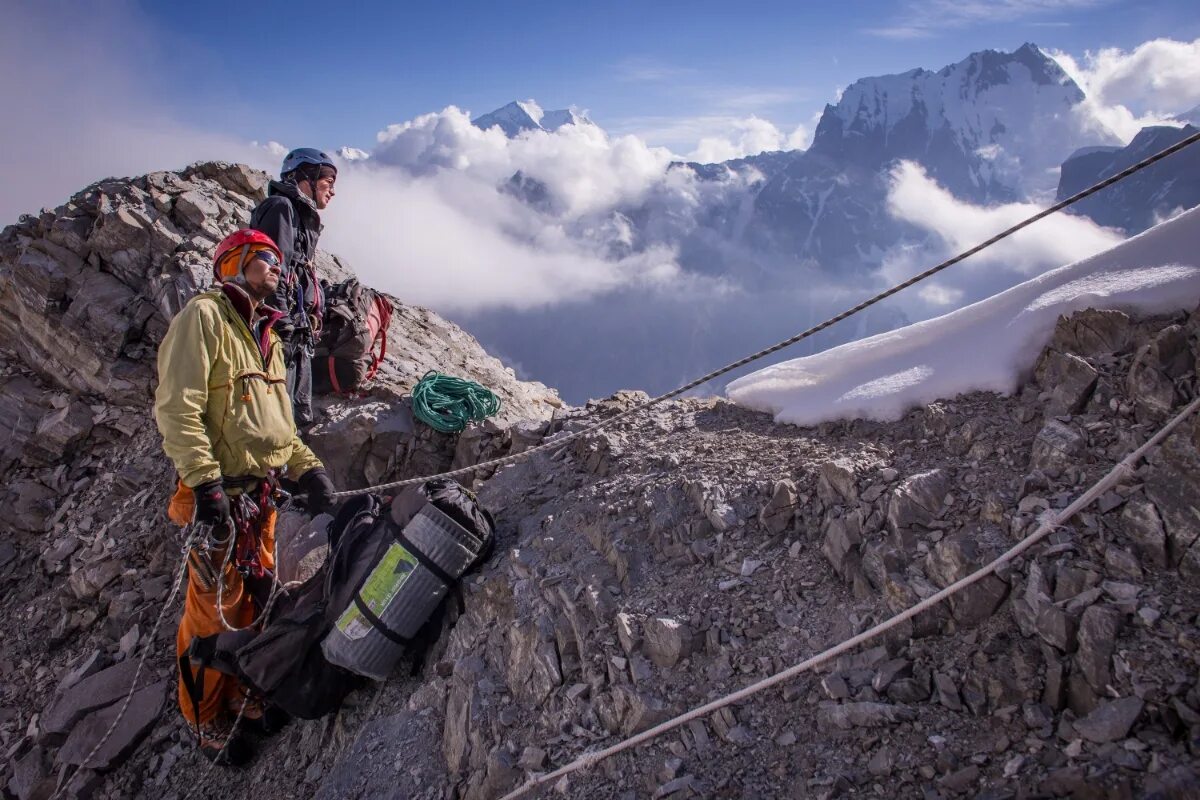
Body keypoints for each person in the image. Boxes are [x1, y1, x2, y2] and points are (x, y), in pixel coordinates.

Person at [154, 228, 337, 764]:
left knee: (255, 598)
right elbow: (178, 407)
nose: (276, 269)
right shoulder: (205, 318)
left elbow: (277, 426)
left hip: (259, 498)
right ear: (231, 263)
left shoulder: (270, 336)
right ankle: (205, 716)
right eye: (264, 259)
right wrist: (205, 482)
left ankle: (243, 690)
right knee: (211, 615)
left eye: (279, 262)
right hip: (220, 497)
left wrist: (308, 469)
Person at [249, 148, 338, 429]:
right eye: (328, 182)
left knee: (297, 416)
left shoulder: (300, 216)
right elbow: (275, 268)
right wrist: (282, 323)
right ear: (306, 177)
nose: (333, 191)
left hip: (297, 333)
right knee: (279, 415)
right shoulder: (281, 208)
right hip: (284, 332)